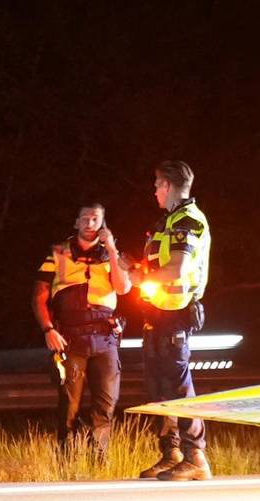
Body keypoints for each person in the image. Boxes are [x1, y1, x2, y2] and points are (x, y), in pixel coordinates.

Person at [129, 160, 213, 481]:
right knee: (159, 388)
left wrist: (139, 277)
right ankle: (171, 452)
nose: (154, 190)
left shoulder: (187, 221)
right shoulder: (169, 220)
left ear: (167, 186)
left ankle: (196, 455)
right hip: (158, 313)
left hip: (177, 314)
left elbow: (176, 269)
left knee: (179, 385)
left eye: (156, 185)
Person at [31, 202, 132, 461]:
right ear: (76, 222)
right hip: (70, 336)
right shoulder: (57, 253)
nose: (89, 224)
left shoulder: (113, 255)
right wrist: (48, 329)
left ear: (103, 224)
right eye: (85, 219)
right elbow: (39, 296)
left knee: (106, 403)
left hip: (105, 337)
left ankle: (99, 460)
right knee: (69, 405)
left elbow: (122, 289)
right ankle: (68, 459)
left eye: (95, 219)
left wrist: (111, 249)